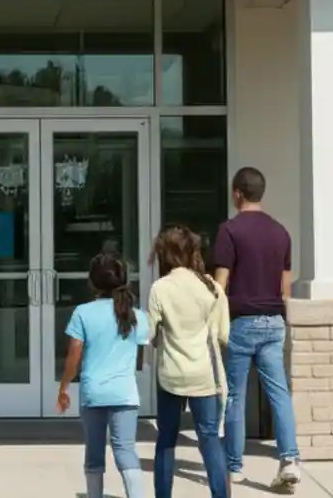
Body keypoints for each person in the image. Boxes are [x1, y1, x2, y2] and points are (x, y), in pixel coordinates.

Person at [213, 166, 301, 492]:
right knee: (279, 393)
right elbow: (285, 288)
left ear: (237, 193)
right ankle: (289, 459)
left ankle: (234, 467)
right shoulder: (281, 233)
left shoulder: (229, 230)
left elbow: (221, 285)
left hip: (241, 322)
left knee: (235, 395)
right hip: (273, 321)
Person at [57, 252, 151, 498]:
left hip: (93, 392)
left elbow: (74, 353)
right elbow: (143, 355)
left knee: (94, 452)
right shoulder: (136, 315)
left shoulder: (83, 312)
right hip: (125, 394)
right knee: (125, 450)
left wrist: (64, 387)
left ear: (92, 282)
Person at [148, 224, 231, 498]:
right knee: (209, 439)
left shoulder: (159, 288)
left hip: (170, 374)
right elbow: (222, 334)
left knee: (166, 440)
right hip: (204, 374)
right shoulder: (211, 287)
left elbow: (150, 334)